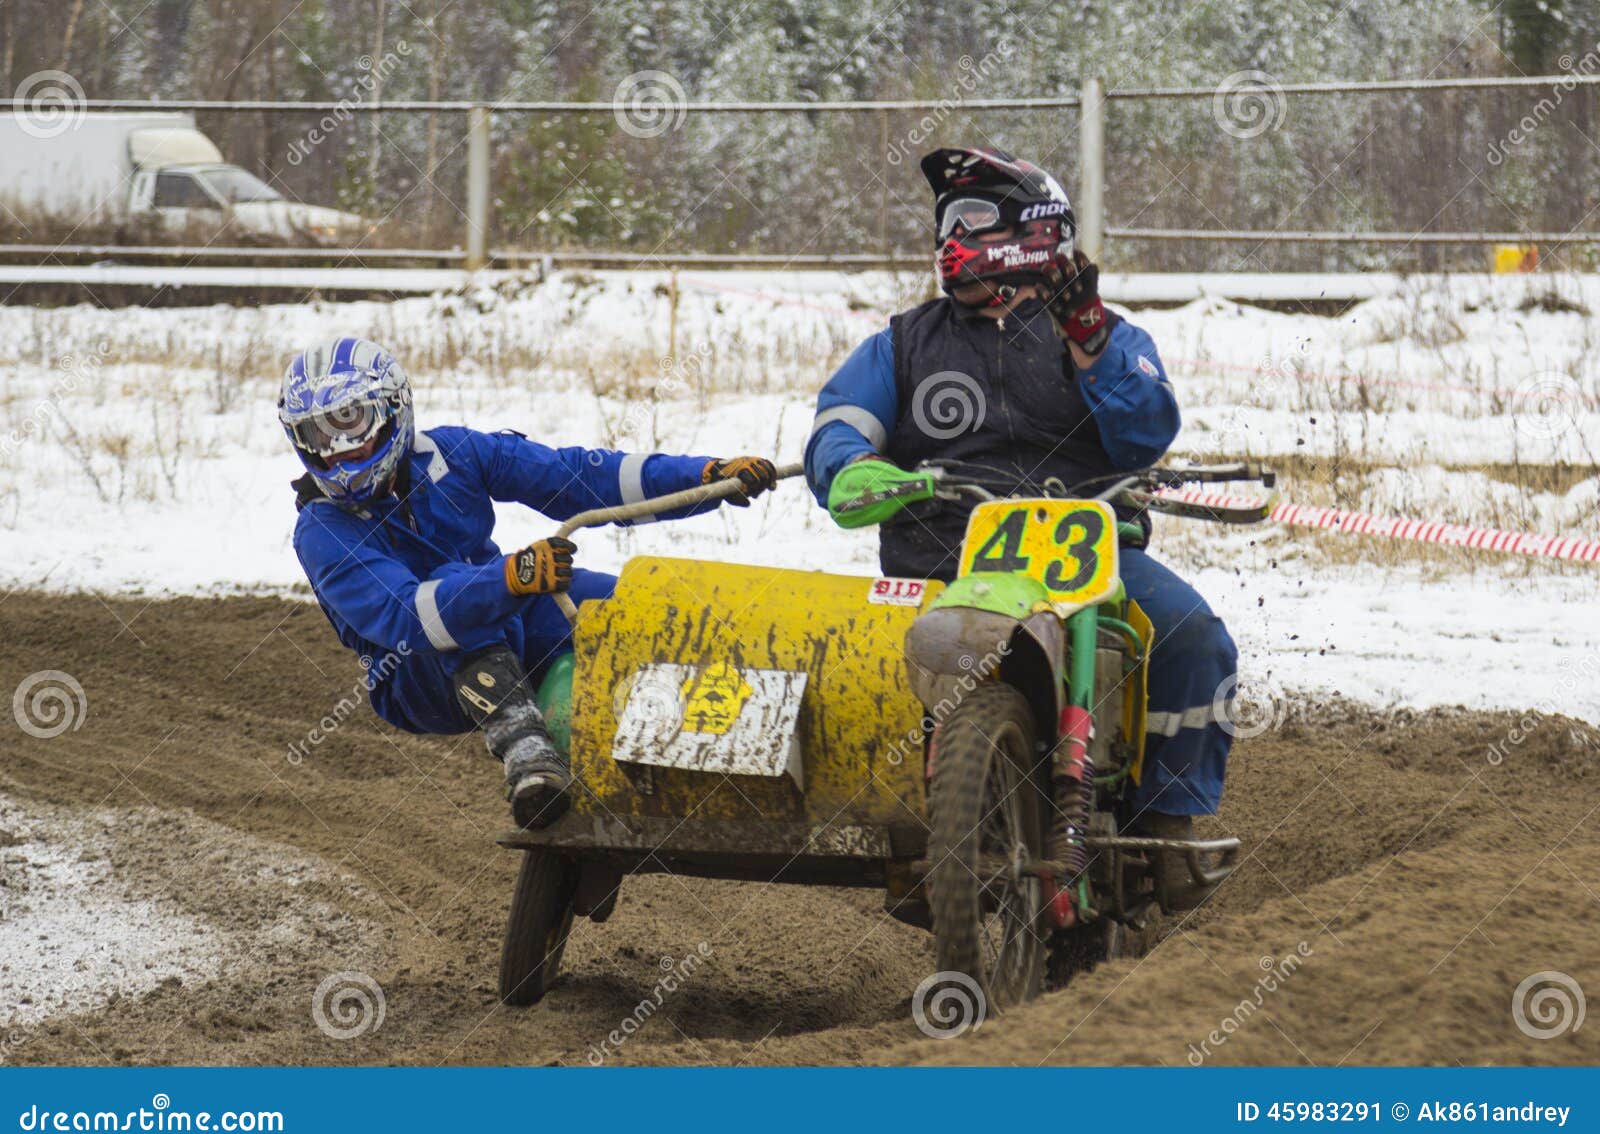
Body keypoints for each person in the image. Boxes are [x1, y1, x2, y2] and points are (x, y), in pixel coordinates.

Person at [803, 146, 1237, 870]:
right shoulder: (904, 345)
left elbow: (1147, 432)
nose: (950, 238)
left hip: (1084, 559)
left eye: (970, 218)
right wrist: (852, 465)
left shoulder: (1101, 335)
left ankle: (1164, 824)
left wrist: (1091, 344)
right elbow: (838, 423)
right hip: (941, 556)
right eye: (944, 222)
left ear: (1031, 230)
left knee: (1194, 636)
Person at [279, 336, 777, 829]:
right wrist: (510, 578)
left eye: (350, 422)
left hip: (503, 614)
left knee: (630, 603)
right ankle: (530, 756)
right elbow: (407, 615)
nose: (338, 450)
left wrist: (707, 477)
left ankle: (745, 724)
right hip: (414, 675)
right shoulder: (323, 529)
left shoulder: (455, 453)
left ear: (393, 408)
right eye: (317, 435)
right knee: (460, 586)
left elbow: (575, 476)